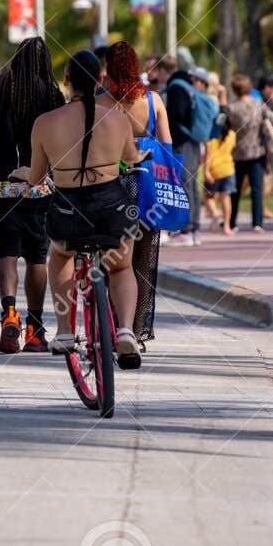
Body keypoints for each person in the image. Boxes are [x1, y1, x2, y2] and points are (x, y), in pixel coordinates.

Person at [21, 50, 145, 366]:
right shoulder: (118, 119)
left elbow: (36, 178)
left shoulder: (45, 122)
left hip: (67, 209)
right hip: (111, 207)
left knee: (61, 255)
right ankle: (127, 332)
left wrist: (23, 175)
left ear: (66, 81)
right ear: (100, 80)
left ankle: (64, 331)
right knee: (120, 266)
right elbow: (131, 159)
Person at [0, 37, 66, 353]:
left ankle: (9, 314)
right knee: (38, 256)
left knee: (6, 251)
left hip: (0, 184)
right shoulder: (52, 93)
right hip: (39, 186)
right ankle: (35, 330)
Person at [100, 41, 169, 342]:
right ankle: (136, 330)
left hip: (111, 183)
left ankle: (111, 325)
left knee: (111, 261)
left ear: (109, 69)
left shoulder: (101, 102)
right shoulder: (153, 101)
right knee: (142, 263)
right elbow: (166, 146)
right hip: (146, 185)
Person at [151, 53, 205, 245]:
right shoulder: (187, 84)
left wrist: (166, 120)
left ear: (163, 71)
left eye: (157, 72)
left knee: (184, 182)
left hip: (183, 141)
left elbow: (180, 113)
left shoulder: (175, 87)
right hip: (193, 141)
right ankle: (194, 229)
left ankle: (187, 230)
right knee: (191, 183)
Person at [223, 74, 273, 232]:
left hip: (237, 152)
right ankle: (257, 223)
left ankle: (232, 222)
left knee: (235, 189)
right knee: (257, 188)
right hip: (257, 151)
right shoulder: (258, 104)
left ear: (234, 90)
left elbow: (226, 127)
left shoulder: (232, 107)